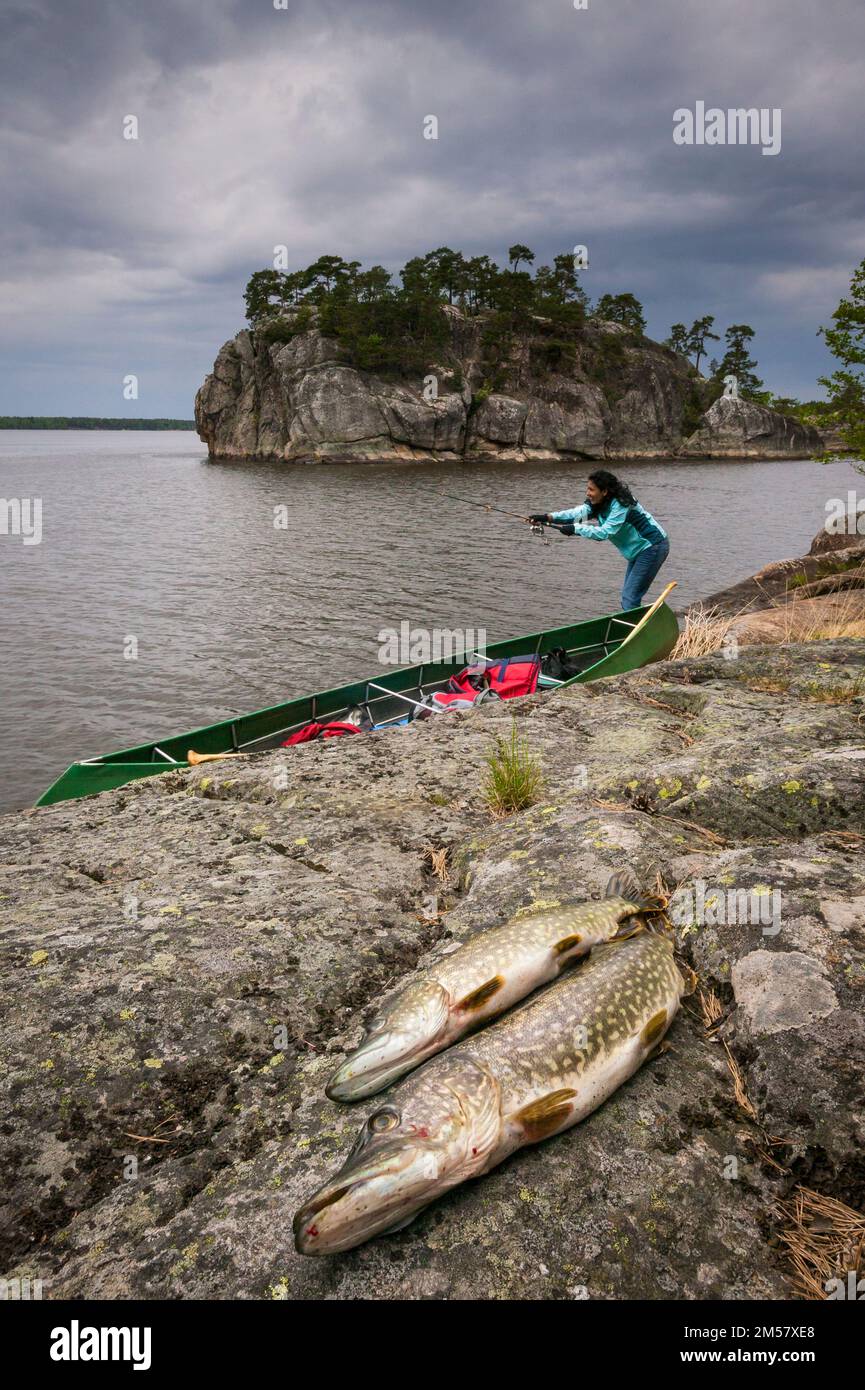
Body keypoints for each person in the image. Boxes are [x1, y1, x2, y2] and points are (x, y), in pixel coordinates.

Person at [530, 470, 670, 612]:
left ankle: (639, 631)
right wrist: (547, 517)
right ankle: (640, 624)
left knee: (629, 598)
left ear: (604, 491)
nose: (587, 493)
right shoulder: (597, 503)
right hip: (638, 550)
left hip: (652, 546)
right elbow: (577, 514)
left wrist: (575, 529)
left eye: (591, 489)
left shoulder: (621, 504)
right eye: (587, 488)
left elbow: (605, 532)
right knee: (629, 598)